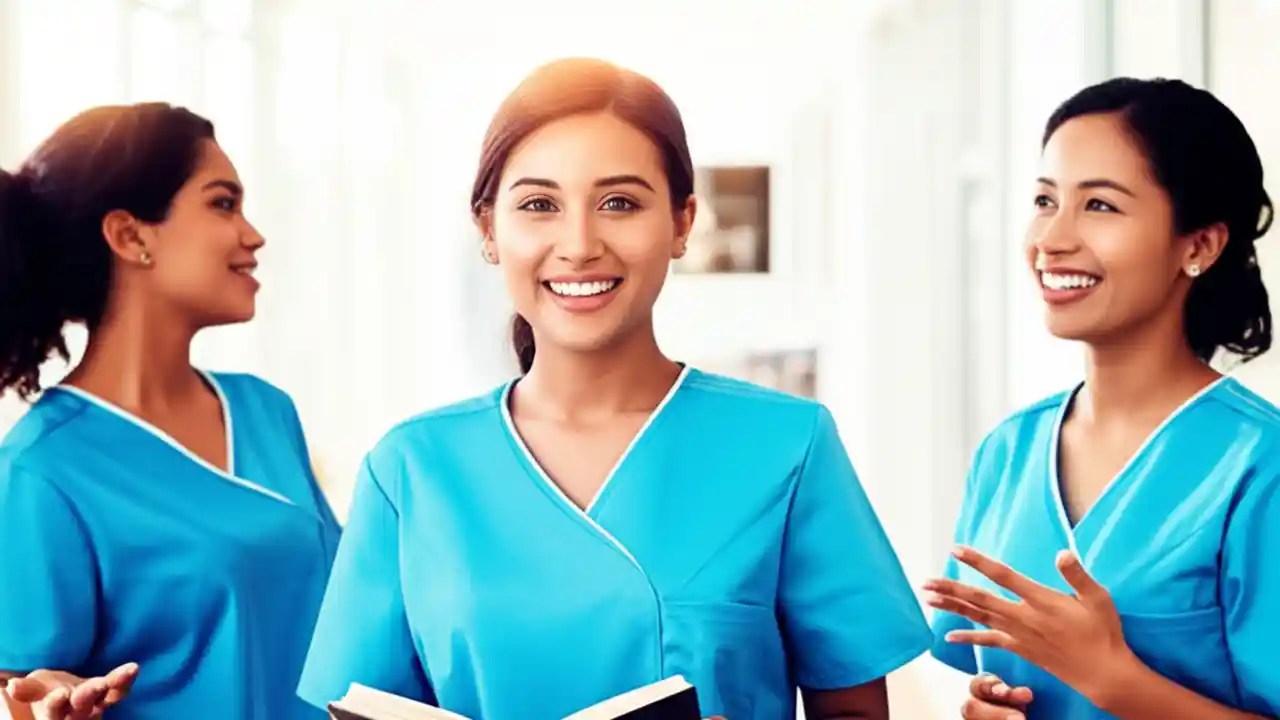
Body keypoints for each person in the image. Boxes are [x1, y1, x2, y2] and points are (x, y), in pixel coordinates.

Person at [297, 57, 931, 720]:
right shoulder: (411, 470)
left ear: (683, 222)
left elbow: (855, 711)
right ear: (488, 230)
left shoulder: (788, 448)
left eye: (619, 203)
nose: (578, 244)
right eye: (539, 205)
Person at [924, 77, 1280, 719]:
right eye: (1043, 199)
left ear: (1198, 245)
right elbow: (973, 674)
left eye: (1101, 207)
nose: (1051, 239)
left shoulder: (1260, 467)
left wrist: (1111, 679)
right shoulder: (1007, 452)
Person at [0, 103, 341, 720]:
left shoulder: (264, 410)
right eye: (222, 203)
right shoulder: (40, 471)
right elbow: (27, 693)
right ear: (131, 236)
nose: (252, 234)